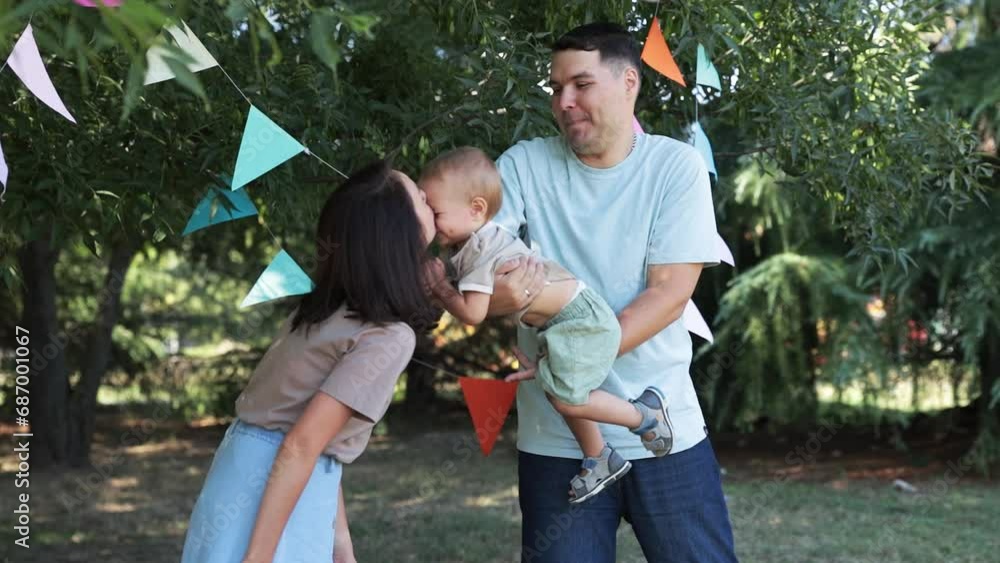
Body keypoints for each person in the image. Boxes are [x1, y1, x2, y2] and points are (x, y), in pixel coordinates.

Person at [487, 23, 739, 562]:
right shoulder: (523, 165)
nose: (565, 101)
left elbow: (669, 293)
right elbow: (487, 283)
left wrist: (570, 356)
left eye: (581, 84)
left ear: (630, 82)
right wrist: (501, 294)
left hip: (665, 431)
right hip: (557, 442)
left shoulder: (675, 167)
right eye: (556, 89)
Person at [180, 160, 439, 563]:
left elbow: (316, 442)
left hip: (244, 473)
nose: (431, 200)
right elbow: (301, 445)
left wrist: (341, 546)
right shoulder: (386, 336)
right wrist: (258, 557)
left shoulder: (322, 314)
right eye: (420, 199)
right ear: (398, 232)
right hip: (277, 490)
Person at [421, 146, 674, 505]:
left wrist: (438, 289)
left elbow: (473, 313)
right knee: (559, 391)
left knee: (566, 398)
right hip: (562, 324)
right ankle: (600, 456)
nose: (430, 221)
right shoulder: (467, 245)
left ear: (475, 209)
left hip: (580, 319)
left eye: (436, 212)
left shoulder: (480, 247)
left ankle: (643, 415)